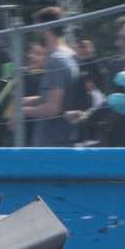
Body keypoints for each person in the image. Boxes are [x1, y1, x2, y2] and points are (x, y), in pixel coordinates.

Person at [21, 9, 81, 146]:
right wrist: (23, 101)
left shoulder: (56, 61)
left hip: (51, 141)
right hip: (65, 137)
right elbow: (56, 97)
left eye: (37, 29)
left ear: (45, 29)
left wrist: (21, 111)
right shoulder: (71, 55)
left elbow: (53, 108)